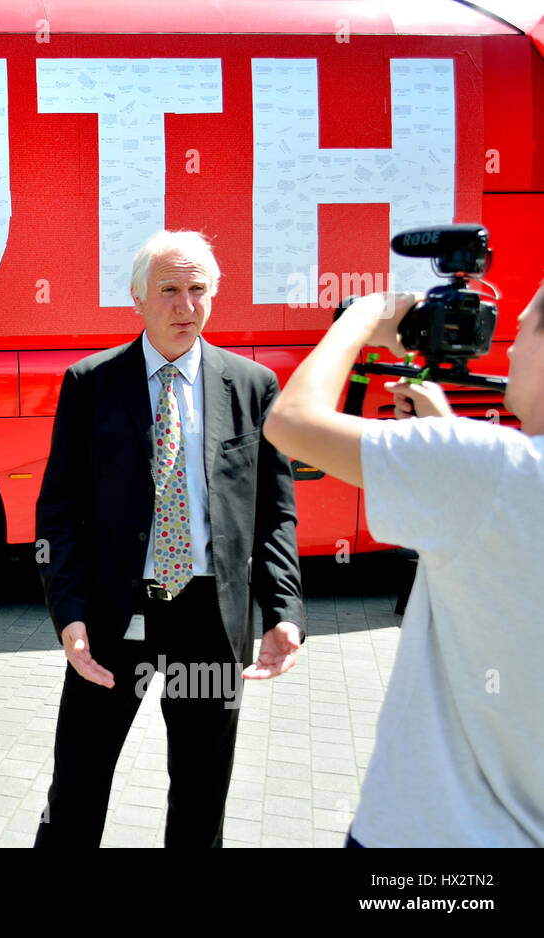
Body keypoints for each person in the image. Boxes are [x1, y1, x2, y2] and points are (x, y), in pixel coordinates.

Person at [34, 230, 306, 848]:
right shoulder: (92, 383)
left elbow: (274, 515)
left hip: (210, 618)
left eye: (198, 290)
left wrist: (284, 611)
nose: (186, 306)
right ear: (137, 298)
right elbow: (59, 510)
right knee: (76, 788)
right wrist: (68, 613)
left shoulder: (253, 386)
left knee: (201, 793)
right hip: (114, 616)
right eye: (169, 291)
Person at [263, 283, 544, 846]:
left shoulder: (492, 470)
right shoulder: (495, 470)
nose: (508, 349)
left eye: (526, 329)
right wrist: (446, 434)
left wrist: (362, 317)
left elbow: (291, 422)